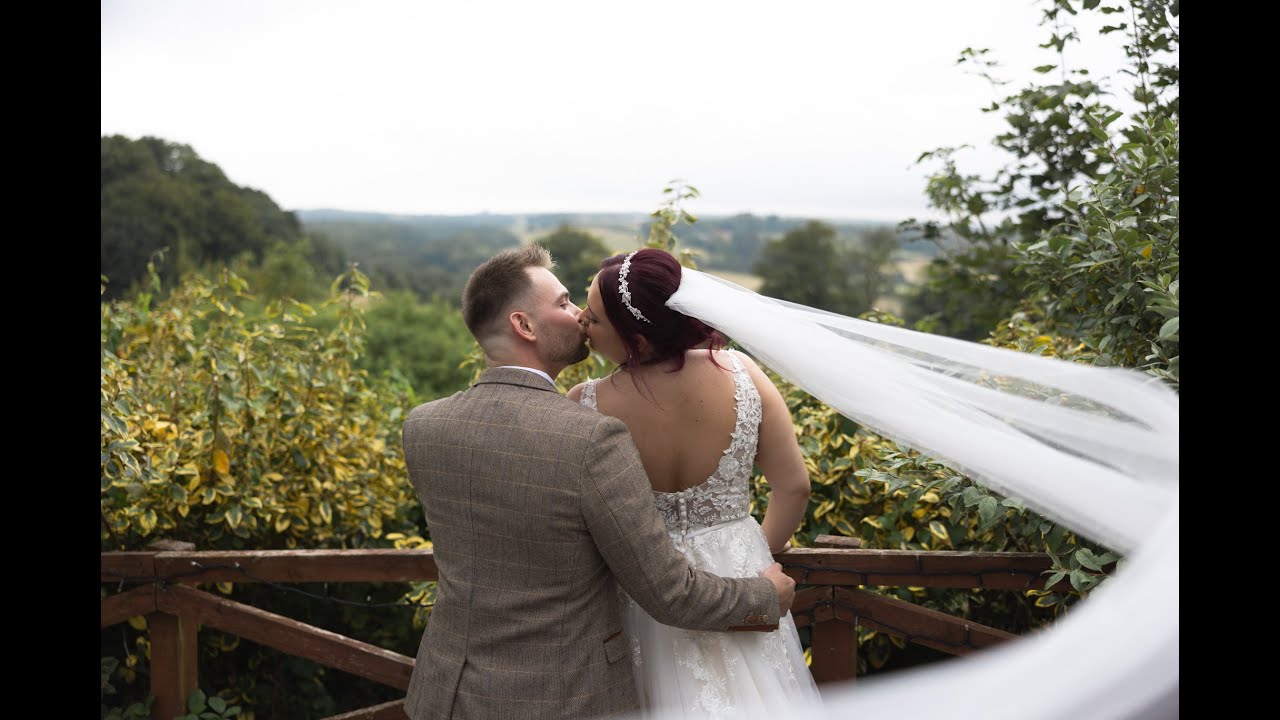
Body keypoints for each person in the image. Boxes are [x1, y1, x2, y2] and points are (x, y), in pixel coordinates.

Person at [400, 244, 797, 720]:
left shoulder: (422, 426)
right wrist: (762, 597)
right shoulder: (588, 438)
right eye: (566, 302)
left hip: (446, 693)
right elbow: (670, 593)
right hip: (561, 696)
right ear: (524, 325)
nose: (581, 316)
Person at [568, 248, 822, 717]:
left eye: (596, 318)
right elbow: (795, 487)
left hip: (646, 590)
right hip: (745, 579)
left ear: (637, 342)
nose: (582, 321)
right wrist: (753, 551)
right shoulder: (744, 375)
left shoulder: (584, 404)